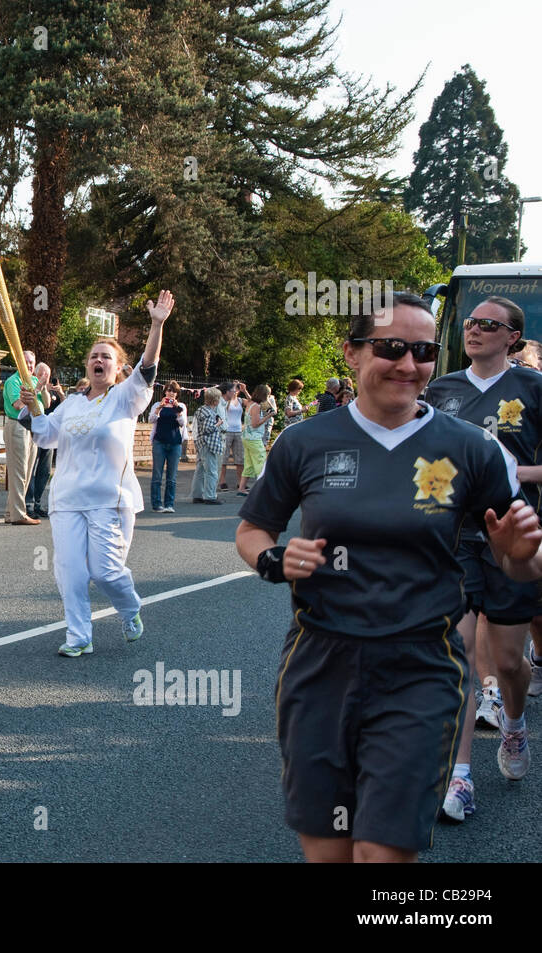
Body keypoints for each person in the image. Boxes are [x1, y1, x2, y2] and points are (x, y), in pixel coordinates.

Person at [235, 290, 542, 862]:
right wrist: (273, 560)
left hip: (421, 666)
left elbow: (521, 563)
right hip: (320, 664)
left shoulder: (472, 449)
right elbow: (253, 529)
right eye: (391, 347)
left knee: (382, 854)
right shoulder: (305, 442)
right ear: (352, 354)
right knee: (329, 851)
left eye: (423, 352)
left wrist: (520, 552)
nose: (408, 364)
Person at [425, 295, 542, 819]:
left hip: (516, 535)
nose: (474, 330)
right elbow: (427, 460)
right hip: (459, 535)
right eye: (471, 322)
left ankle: (514, 726)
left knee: (511, 662)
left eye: (488, 325)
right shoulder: (442, 389)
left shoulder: (534, 389)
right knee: (459, 650)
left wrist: (513, 474)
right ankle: (461, 775)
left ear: (511, 338)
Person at [20, 291, 175, 657]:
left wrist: (156, 325)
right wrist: (33, 406)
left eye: (106, 356)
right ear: (87, 367)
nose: (98, 361)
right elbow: (44, 435)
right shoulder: (71, 404)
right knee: (70, 572)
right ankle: (79, 637)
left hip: (110, 499)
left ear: (118, 367)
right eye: (94, 357)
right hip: (67, 500)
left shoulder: (125, 397)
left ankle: (129, 608)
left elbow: (148, 367)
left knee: (105, 571)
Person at [3, 350, 44, 524]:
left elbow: (46, 403)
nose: (29, 365)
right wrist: (36, 389)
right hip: (17, 425)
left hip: (32, 427)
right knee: (18, 472)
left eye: (31, 362)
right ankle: (19, 514)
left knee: (27, 471)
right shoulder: (14, 381)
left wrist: (43, 387)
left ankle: (10, 513)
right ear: (19, 362)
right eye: (26, 362)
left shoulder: (34, 380)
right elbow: (19, 405)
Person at [148, 380, 188, 513]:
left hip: (175, 443)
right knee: (157, 474)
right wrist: (159, 408)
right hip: (159, 442)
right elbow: (151, 420)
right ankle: (156, 504)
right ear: (165, 391)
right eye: (169, 390)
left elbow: (183, 423)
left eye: (174, 391)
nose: (171, 393)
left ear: (177, 394)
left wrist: (178, 410)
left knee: (172, 476)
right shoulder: (157, 405)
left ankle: (169, 504)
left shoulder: (181, 406)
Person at [26, 368, 59, 518]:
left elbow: (46, 404)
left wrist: (45, 387)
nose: (44, 377)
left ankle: (38, 502)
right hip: (34, 432)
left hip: (48, 433)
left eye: (47, 375)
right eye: (41, 374)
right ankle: (29, 504)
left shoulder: (46, 389)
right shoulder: (30, 385)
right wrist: (38, 386)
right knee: (31, 470)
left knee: (44, 471)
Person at [189, 387, 224, 504]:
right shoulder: (210, 413)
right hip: (208, 444)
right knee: (211, 471)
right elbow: (207, 429)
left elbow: (196, 428)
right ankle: (210, 496)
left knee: (200, 470)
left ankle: (197, 494)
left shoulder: (200, 410)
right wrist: (218, 423)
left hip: (200, 443)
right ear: (215, 401)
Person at [237, 384, 273, 495]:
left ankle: (242, 489)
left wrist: (245, 391)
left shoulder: (251, 403)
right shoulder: (257, 406)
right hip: (254, 439)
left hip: (247, 437)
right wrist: (268, 416)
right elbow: (255, 424)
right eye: (268, 394)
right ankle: (263, 490)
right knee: (260, 462)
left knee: (249, 464)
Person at [218, 381, 248, 491]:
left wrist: (245, 391)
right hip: (227, 431)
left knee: (240, 458)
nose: (236, 390)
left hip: (239, 431)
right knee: (224, 457)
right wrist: (232, 395)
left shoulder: (240, 400)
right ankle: (222, 481)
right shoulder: (226, 400)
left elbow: (253, 403)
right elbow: (225, 408)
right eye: (234, 387)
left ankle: (240, 482)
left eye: (237, 388)